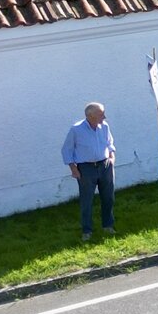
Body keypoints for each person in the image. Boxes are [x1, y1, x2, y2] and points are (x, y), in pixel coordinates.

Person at [61, 102, 117, 241]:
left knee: (108, 197)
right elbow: (67, 150)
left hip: (105, 165)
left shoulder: (104, 126)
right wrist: (73, 169)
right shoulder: (76, 129)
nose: (104, 116)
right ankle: (87, 231)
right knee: (87, 200)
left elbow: (110, 143)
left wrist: (111, 158)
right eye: (101, 114)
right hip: (86, 168)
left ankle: (108, 226)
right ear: (90, 115)